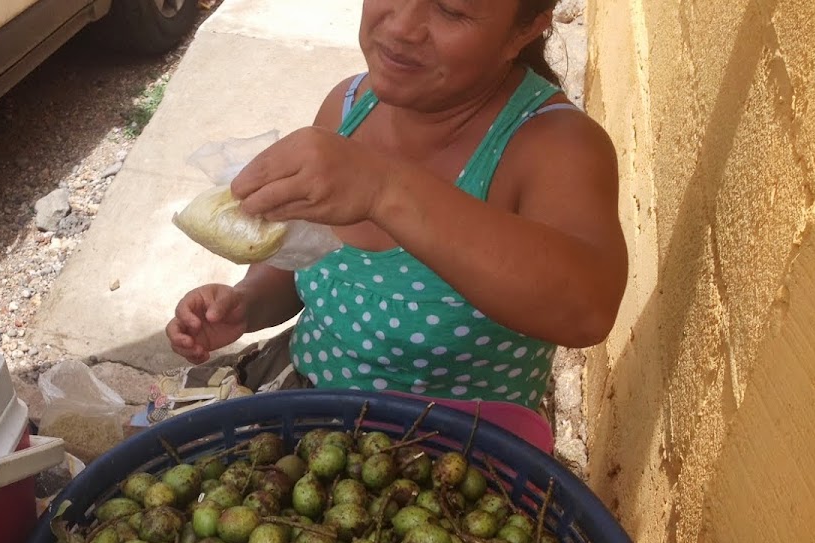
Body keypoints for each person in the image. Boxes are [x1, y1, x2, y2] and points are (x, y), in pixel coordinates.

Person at [160, 0, 628, 417]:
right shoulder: (347, 107)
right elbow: (304, 257)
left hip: (447, 462)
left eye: (451, 10)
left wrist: (385, 189)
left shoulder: (553, 146)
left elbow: (587, 310)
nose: (402, 26)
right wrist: (246, 304)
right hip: (304, 406)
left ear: (523, 31)